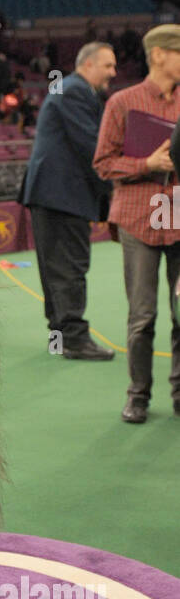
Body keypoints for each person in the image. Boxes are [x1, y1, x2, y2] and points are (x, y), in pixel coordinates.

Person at [93, 24, 180, 422]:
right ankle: (138, 395)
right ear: (159, 54)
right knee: (142, 316)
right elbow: (104, 163)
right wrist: (148, 164)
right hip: (138, 219)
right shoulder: (122, 102)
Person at [21, 42, 116, 359]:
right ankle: (74, 338)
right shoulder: (75, 90)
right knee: (69, 266)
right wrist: (120, 186)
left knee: (55, 268)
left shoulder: (69, 89)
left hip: (52, 193)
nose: (113, 73)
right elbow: (94, 149)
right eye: (108, 66)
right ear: (88, 64)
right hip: (62, 194)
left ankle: (60, 337)